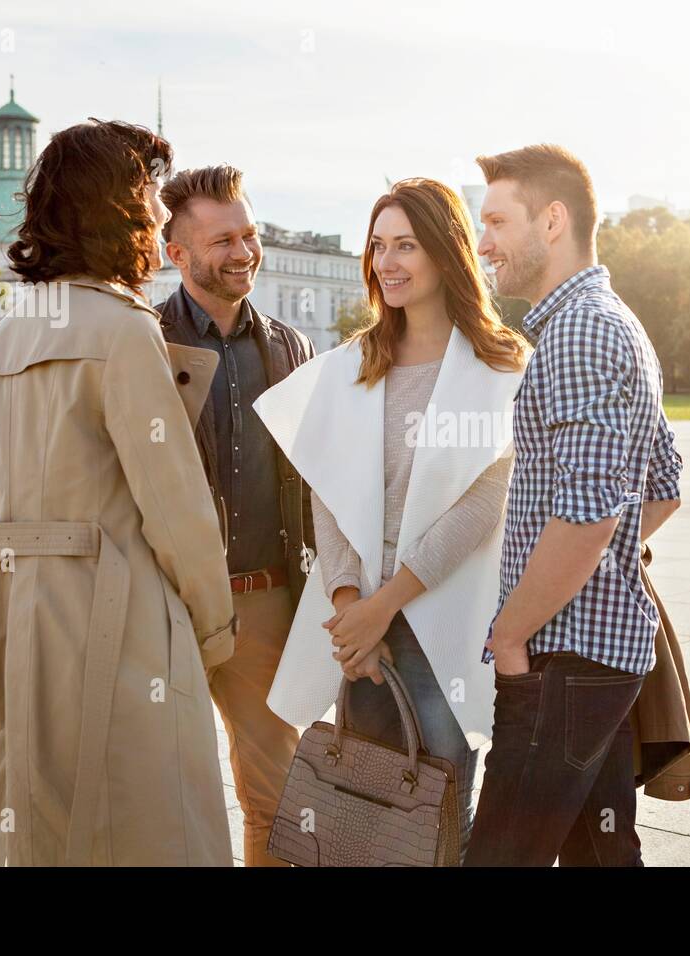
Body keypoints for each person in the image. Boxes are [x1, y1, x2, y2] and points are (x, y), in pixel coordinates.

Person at [0, 120, 236, 866]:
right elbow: (174, 505)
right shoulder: (121, 331)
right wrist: (215, 629)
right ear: (115, 203)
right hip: (114, 608)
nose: (156, 212)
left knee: (33, 813)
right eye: (148, 192)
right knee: (141, 820)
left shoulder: (7, 337)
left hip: (13, 608)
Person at [254, 178, 527, 862]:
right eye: (378, 246)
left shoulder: (499, 367)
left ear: (445, 252)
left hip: (440, 621)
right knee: (360, 811)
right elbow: (329, 491)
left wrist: (388, 605)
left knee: (437, 812)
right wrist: (352, 606)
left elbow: (483, 505)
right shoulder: (352, 366)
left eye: (406, 245)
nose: (388, 262)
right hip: (356, 629)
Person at [464, 144, 684, 867]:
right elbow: (662, 488)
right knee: (602, 858)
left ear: (552, 220)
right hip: (596, 657)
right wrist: (608, 560)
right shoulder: (611, 319)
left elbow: (591, 515)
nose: (483, 241)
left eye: (497, 220)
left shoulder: (580, 331)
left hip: (560, 659)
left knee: (499, 856)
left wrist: (512, 634)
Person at [154, 165, 317, 867]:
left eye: (248, 235)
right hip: (163, 607)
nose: (244, 251)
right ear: (176, 253)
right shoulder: (142, 341)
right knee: (158, 797)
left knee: (276, 801)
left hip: (264, 602)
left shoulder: (289, 347)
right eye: (222, 239)